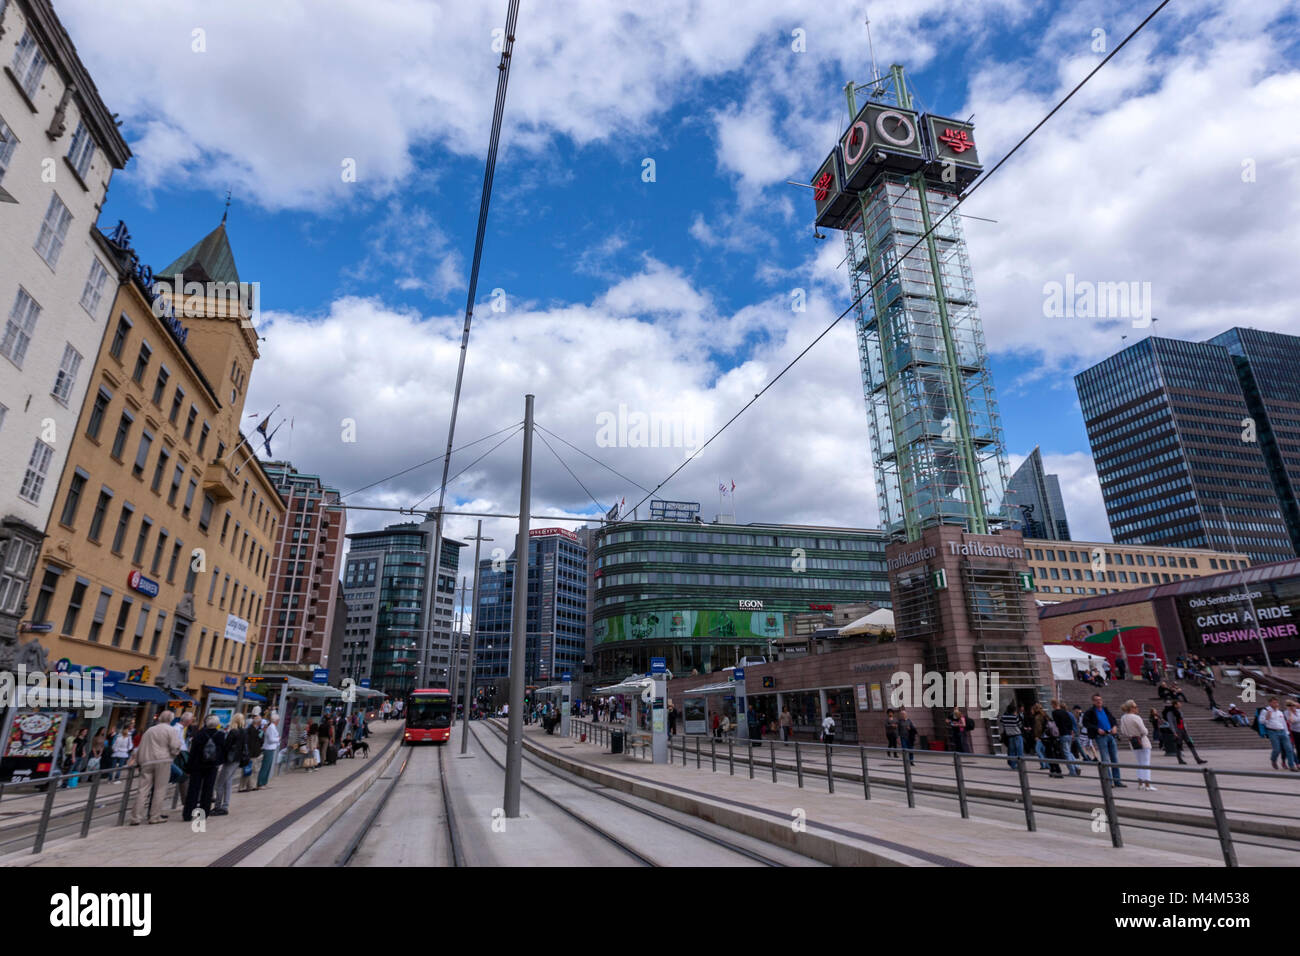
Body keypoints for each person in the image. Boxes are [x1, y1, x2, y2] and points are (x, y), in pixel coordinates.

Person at [129, 710, 180, 825]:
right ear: (171, 719)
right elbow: (175, 746)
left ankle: (135, 817)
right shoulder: (170, 730)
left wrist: (139, 761)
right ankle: (154, 816)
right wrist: (174, 754)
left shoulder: (150, 730)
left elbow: (141, 746)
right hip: (163, 761)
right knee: (160, 789)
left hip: (147, 761)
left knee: (142, 790)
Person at [184, 715, 226, 822]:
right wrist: (219, 762)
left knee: (193, 790)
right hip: (212, 766)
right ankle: (204, 813)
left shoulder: (199, 734)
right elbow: (223, 751)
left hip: (197, 765)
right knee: (208, 790)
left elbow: (193, 752)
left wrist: (188, 768)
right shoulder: (221, 735)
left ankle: (188, 814)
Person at [1082, 693, 1124, 787]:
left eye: (1100, 699)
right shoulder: (1090, 712)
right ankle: (1108, 782)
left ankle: (1117, 781)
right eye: (1096, 700)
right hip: (1100, 737)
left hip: (1110, 735)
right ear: (1093, 701)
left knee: (1114, 758)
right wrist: (1097, 729)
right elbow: (1086, 723)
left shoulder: (1105, 709)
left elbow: (1113, 719)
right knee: (1105, 759)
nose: (1099, 701)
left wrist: (1114, 726)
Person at [213, 713, 247, 816]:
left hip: (230, 760)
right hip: (237, 760)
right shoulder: (244, 732)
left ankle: (218, 806)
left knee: (220, 783)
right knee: (228, 782)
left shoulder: (233, 732)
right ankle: (225, 805)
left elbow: (227, 746)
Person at [1119, 700, 1157, 791]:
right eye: (1135, 707)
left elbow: (1123, 731)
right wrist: (1143, 732)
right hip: (1142, 741)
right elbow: (1144, 731)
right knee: (1146, 763)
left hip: (1133, 741)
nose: (1137, 708)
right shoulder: (1136, 717)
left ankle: (1140, 783)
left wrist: (1131, 734)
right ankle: (1147, 785)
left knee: (1140, 763)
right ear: (1131, 708)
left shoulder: (1123, 718)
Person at [1162, 700, 1206, 765]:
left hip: (1183, 730)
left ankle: (1198, 759)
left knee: (1190, 744)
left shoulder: (1180, 711)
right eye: (1179, 704)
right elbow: (1171, 723)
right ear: (1175, 705)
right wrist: (1174, 732)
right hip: (1177, 731)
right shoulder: (1170, 713)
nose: (1180, 705)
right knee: (1178, 746)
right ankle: (1180, 760)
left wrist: (1185, 728)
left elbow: (1182, 721)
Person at [1260, 697, 1297, 771]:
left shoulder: (1279, 712)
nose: (1276, 704)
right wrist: (1267, 717)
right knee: (1277, 749)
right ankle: (1273, 760)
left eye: (1277, 702)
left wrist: (1287, 732)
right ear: (1270, 703)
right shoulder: (1265, 711)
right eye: (1274, 702)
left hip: (1282, 731)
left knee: (1289, 749)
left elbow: (1283, 723)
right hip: (1272, 732)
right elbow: (1261, 721)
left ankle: (1292, 766)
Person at [1051, 699, 1080, 776]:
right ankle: (1077, 766)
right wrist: (1071, 732)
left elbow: (1057, 724)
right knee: (1069, 752)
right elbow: (1070, 723)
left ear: (1053, 704)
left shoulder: (1054, 713)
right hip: (1069, 734)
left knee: (1066, 753)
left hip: (1063, 734)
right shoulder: (1065, 712)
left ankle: (1072, 771)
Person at [241, 713, 264, 792]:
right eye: (260, 722)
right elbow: (252, 742)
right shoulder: (251, 730)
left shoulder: (257, 730)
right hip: (252, 753)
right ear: (258, 722)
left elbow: (260, 741)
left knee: (253, 770)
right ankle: (244, 786)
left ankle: (251, 785)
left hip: (255, 752)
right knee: (248, 770)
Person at [257, 710, 280, 789]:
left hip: (271, 748)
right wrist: (278, 739)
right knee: (265, 766)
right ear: (276, 720)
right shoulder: (271, 728)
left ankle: (264, 782)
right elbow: (271, 739)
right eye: (278, 720)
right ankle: (260, 783)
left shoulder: (272, 727)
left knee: (268, 766)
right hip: (268, 748)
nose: (279, 721)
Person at [1000, 701, 1024, 769]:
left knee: (1012, 751)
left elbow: (1002, 723)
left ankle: (1013, 765)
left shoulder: (1003, 717)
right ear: (1014, 710)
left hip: (1010, 736)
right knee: (1019, 751)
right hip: (1017, 735)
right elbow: (1020, 725)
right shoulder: (1015, 717)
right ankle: (1020, 765)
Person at [1030, 702, 1051, 770]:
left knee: (1038, 750)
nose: (1031, 711)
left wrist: (1037, 736)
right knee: (1043, 750)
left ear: (1035, 710)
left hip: (1040, 736)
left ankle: (1043, 764)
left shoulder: (1037, 717)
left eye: (1032, 710)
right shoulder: (1044, 715)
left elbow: (1038, 728)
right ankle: (1047, 765)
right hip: (1046, 735)